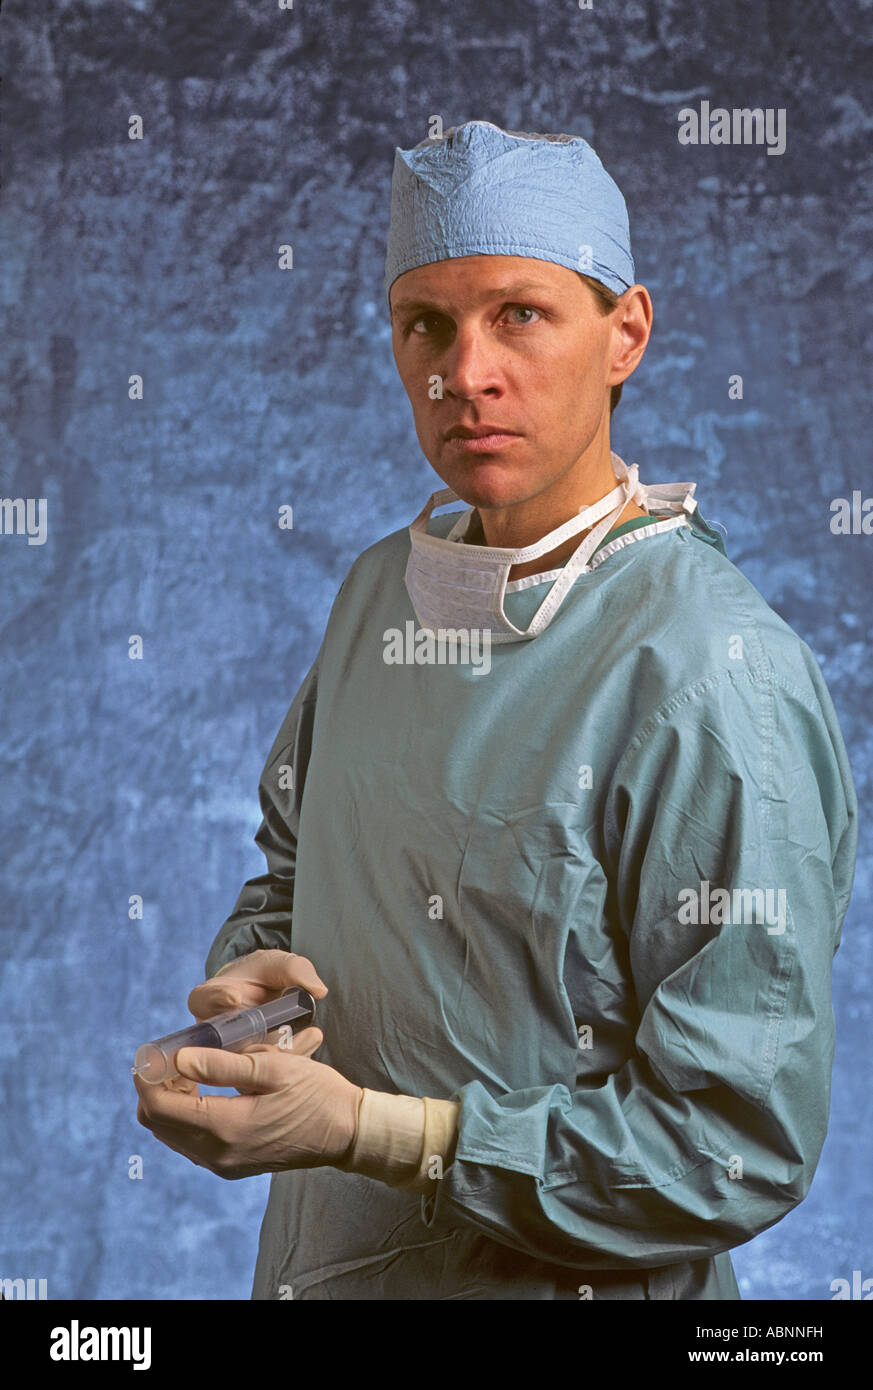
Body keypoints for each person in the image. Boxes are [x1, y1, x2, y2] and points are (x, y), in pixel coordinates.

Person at [134, 120, 858, 1300]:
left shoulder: (713, 672)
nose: (464, 373)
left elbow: (735, 1144)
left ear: (625, 333)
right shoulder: (384, 593)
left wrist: (382, 1132)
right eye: (426, 323)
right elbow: (294, 875)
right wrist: (251, 999)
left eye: (520, 314)